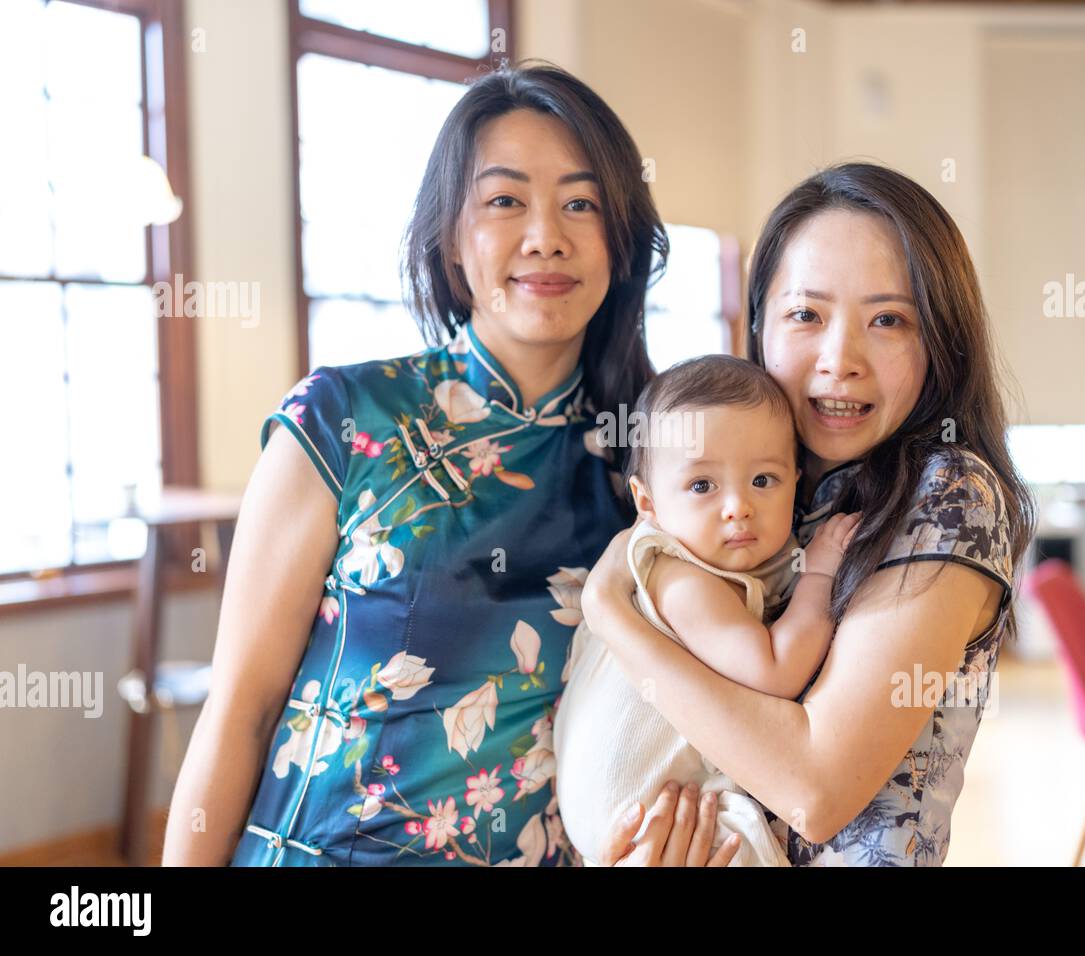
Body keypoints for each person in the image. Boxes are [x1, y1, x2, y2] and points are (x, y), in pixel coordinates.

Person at [162, 61, 734, 867]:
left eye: (581, 203)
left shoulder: (660, 470)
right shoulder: (341, 421)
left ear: (622, 244)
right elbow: (240, 713)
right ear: (453, 238)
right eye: (506, 201)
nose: (546, 236)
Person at [584, 162, 1037, 866]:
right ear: (758, 322)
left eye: (888, 320)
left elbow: (815, 791)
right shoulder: (768, 487)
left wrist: (611, 615)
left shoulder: (949, 494)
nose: (839, 359)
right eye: (806, 314)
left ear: (941, 339)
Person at [553, 354, 861, 866]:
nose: (738, 505)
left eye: (764, 480)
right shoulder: (679, 578)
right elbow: (775, 671)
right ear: (647, 504)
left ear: (796, 478)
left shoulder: (697, 560)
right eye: (702, 486)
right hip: (644, 808)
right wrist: (822, 576)